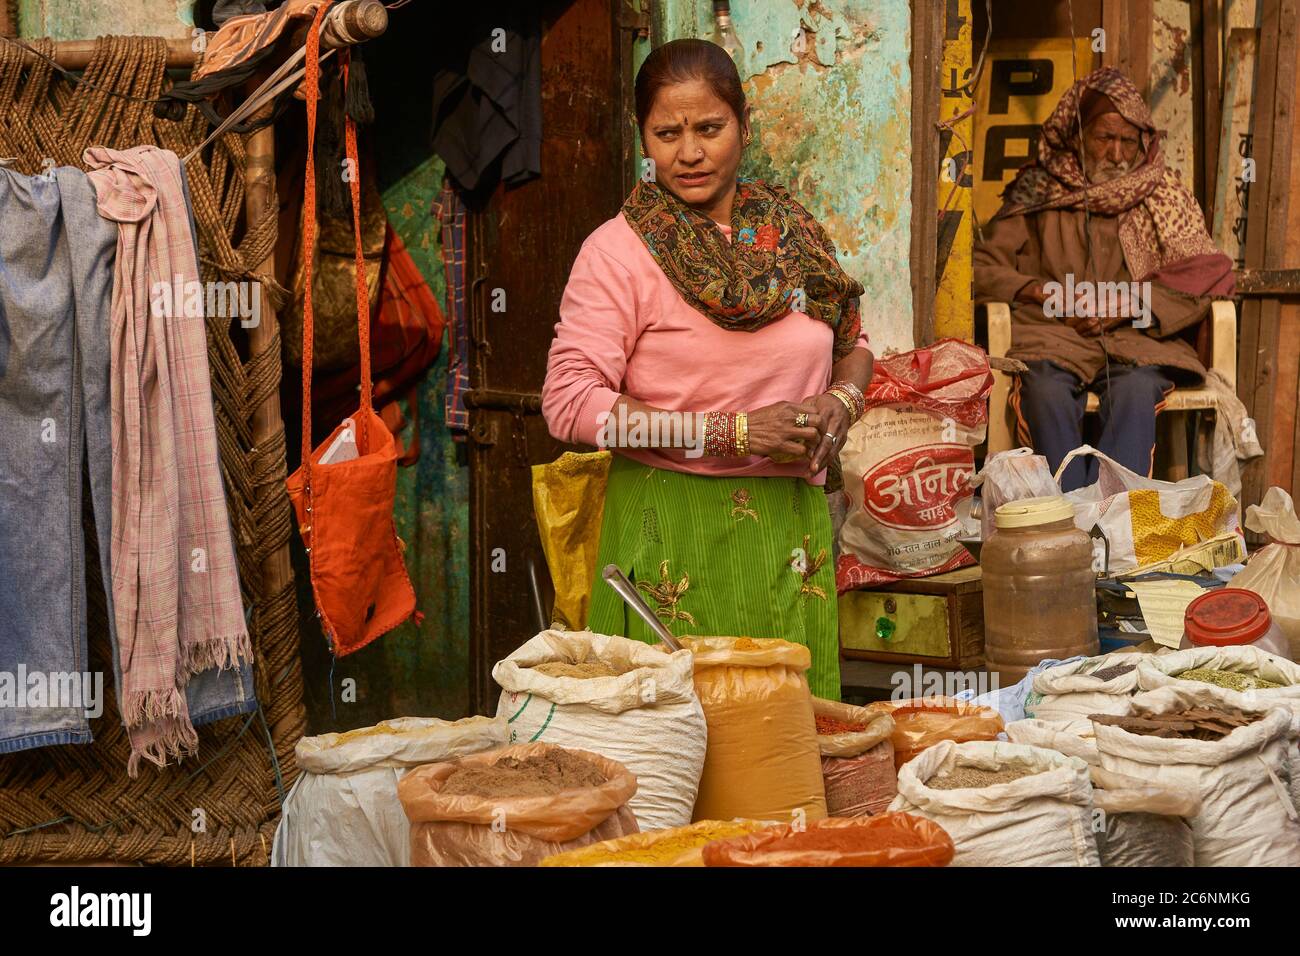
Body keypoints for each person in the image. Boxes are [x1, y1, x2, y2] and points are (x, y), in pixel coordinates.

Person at [541, 38, 873, 698]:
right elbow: (569, 403)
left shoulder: (793, 235)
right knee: (685, 758)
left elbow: (855, 345)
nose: (687, 152)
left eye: (709, 129)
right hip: (674, 533)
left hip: (792, 534)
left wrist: (843, 401)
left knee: (786, 749)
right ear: (644, 139)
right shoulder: (619, 253)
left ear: (745, 127)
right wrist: (735, 434)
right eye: (666, 133)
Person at [974, 67, 1234, 491]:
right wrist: (1037, 289)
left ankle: (1112, 515)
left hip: (1136, 340)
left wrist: (1130, 306)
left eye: (1127, 141)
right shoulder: (1039, 190)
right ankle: (1068, 512)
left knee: (1136, 390)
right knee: (1045, 391)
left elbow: (1207, 273)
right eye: (1103, 137)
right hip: (1054, 334)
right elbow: (983, 268)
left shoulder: (1162, 193)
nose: (1115, 152)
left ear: (1141, 143)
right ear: (1077, 136)